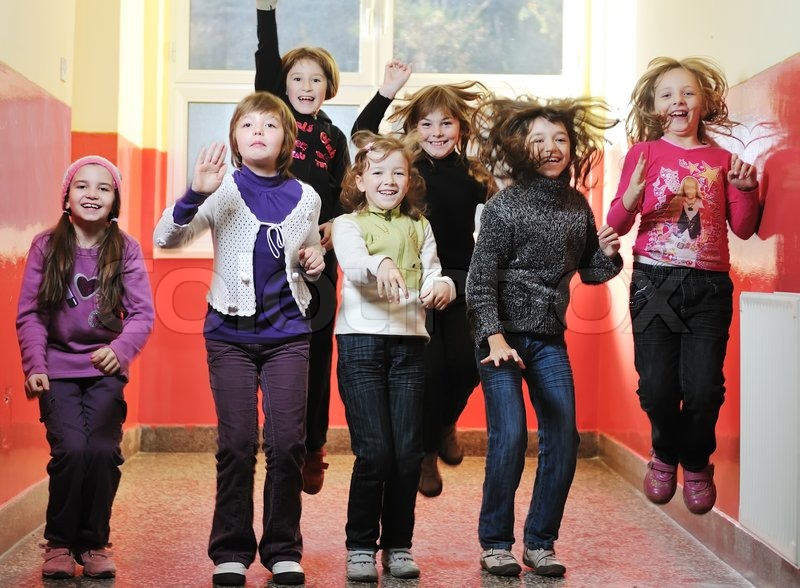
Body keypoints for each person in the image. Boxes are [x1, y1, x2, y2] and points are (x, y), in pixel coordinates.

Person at [153, 92, 325, 586]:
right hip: (228, 333)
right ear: (235, 138)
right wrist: (193, 193)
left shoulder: (307, 197)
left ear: (286, 138)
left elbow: (308, 252)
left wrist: (313, 263)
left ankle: (282, 549)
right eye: (247, 125)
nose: (257, 132)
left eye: (269, 125)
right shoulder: (221, 189)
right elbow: (166, 238)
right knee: (236, 442)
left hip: (289, 332)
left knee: (288, 442)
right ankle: (230, 550)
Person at [466, 96, 622, 577]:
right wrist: (493, 337)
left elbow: (591, 272)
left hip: (548, 339)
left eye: (560, 139)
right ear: (519, 148)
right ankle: (496, 542)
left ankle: (540, 542)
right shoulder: (503, 206)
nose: (551, 148)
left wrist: (610, 254)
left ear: (572, 147)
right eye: (538, 140)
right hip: (500, 339)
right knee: (510, 437)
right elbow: (479, 280)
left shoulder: (577, 206)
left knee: (564, 438)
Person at [607, 57, 761, 515]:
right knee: (656, 388)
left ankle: (695, 461)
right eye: (668, 94)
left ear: (705, 102)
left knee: (703, 389)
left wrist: (746, 190)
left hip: (709, 288)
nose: (679, 100)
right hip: (653, 283)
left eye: (689, 92)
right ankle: (664, 454)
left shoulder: (724, 161)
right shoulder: (643, 154)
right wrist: (630, 199)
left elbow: (746, 228)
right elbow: (617, 220)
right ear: (655, 107)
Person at [352, 61, 492, 497]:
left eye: (445, 123)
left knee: (466, 364)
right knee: (429, 371)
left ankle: (443, 426)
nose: (436, 132)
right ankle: (427, 453)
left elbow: (502, 220)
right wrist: (386, 92)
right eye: (425, 124)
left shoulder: (476, 175)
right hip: (417, 280)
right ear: (412, 129)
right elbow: (361, 136)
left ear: (460, 128)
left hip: (462, 278)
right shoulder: (405, 168)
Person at [16, 156, 154, 580]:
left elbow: (142, 314)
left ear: (115, 201)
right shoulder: (45, 245)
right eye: (82, 186)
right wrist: (35, 362)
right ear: (66, 197)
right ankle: (59, 542)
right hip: (57, 369)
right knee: (72, 451)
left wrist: (121, 349)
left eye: (103, 188)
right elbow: (31, 314)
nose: (92, 194)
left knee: (100, 452)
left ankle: (93, 541)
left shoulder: (125, 248)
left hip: (104, 371)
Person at [332, 131, 456, 582]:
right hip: (361, 343)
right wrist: (380, 263)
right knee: (375, 452)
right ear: (360, 180)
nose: (388, 179)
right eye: (377, 172)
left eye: (398, 172)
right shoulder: (348, 224)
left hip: (409, 344)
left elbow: (435, 271)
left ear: (409, 180)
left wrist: (443, 286)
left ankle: (398, 545)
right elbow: (354, 260)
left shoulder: (420, 225)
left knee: (406, 452)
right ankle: (361, 546)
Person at [255, 0, 351, 494]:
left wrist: (334, 230)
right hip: (269, 262)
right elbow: (266, 60)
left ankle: (312, 446)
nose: (306, 86)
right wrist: (266, 10)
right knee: (272, 352)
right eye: (297, 78)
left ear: (328, 87)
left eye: (316, 79)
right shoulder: (274, 125)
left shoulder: (334, 138)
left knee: (315, 356)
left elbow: (343, 197)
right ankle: (278, 443)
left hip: (319, 265)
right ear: (283, 86)